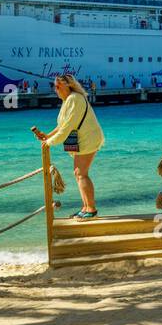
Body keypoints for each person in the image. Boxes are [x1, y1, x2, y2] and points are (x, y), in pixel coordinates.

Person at [32, 73, 105, 220]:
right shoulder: (69, 100)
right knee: (79, 174)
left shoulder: (74, 99)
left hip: (88, 139)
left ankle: (91, 210)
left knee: (81, 173)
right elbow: (62, 125)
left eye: (58, 86)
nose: (56, 89)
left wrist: (49, 143)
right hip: (85, 139)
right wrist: (48, 136)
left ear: (67, 86)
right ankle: (86, 208)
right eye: (54, 86)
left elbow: (67, 127)